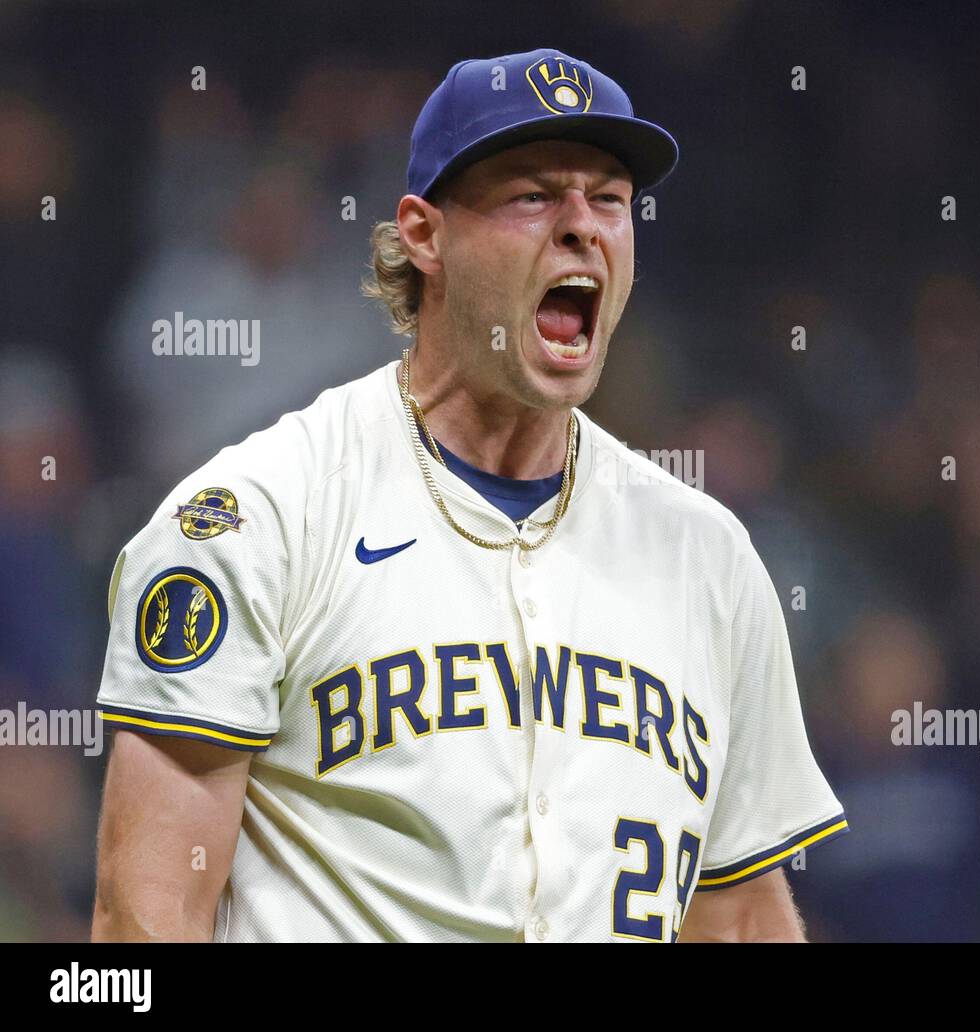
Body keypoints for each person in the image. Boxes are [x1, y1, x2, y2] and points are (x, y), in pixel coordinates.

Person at [91, 48, 847, 943]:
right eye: (533, 195)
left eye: (609, 200)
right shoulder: (260, 517)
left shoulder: (708, 557)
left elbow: (742, 917)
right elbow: (145, 917)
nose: (582, 228)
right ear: (424, 233)